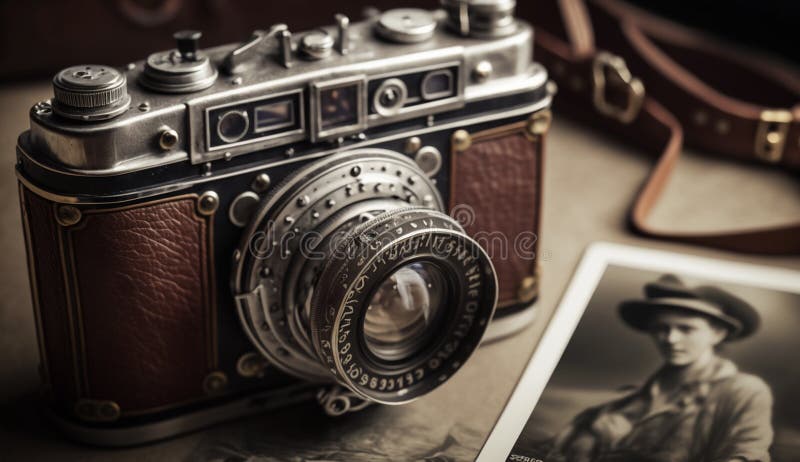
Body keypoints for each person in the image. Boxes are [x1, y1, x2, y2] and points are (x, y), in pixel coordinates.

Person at [549, 274, 774, 462]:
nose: (671, 339)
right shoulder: (626, 402)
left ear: (717, 333)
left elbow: (747, 454)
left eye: (686, 329)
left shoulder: (744, 391)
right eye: (661, 328)